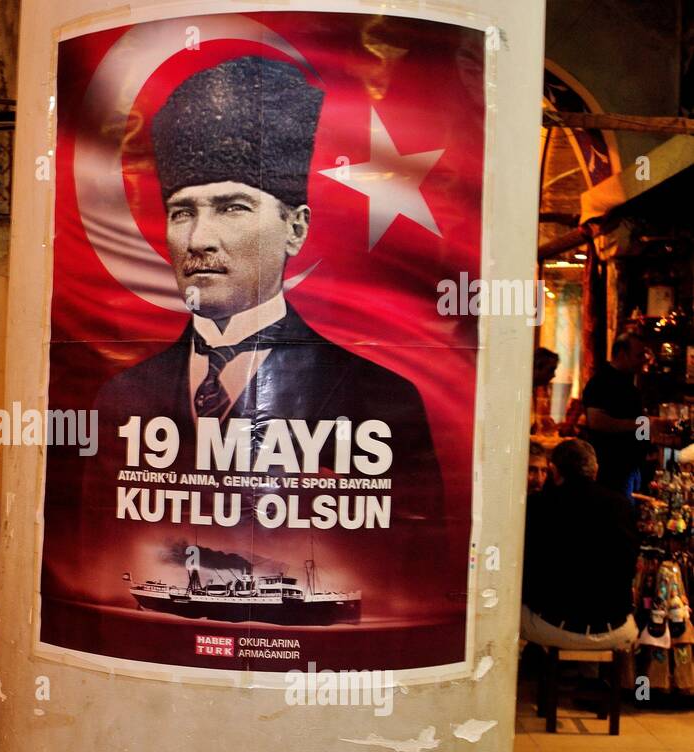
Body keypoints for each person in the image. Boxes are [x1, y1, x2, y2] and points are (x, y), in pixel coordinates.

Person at [92, 56, 441, 521]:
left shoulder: (380, 399)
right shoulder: (121, 397)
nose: (199, 240)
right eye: (182, 212)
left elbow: (415, 559)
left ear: (295, 229)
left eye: (233, 208)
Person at [521, 439, 638, 650]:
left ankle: (534, 669)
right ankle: (587, 674)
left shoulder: (538, 506)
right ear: (595, 471)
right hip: (615, 629)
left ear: (554, 471)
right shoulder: (622, 505)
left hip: (552, 626)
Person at [581, 332, 647, 498]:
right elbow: (595, 421)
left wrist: (647, 442)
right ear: (622, 354)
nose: (643, 360)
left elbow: (639, 420)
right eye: (639, 355)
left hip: (632, 466)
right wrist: (642, 425)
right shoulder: (600, 383)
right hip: (610, 466)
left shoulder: (630, 385)